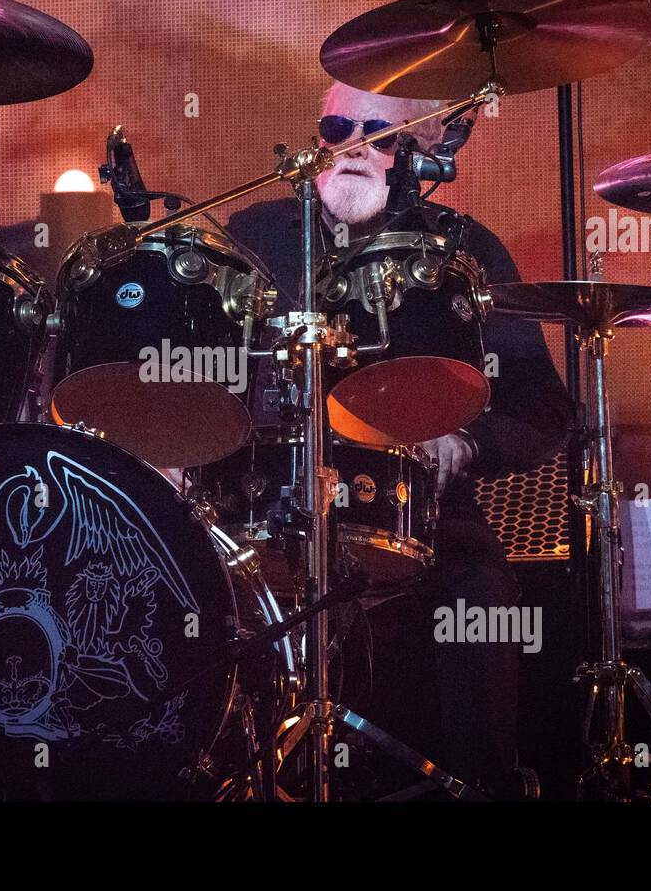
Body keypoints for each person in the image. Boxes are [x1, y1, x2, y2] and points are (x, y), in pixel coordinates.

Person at [225, 81, 574, 797]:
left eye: (380, 135)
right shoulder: (256, 235)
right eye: (336, 127)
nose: (353, 146)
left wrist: (467, 444)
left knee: (480, 597)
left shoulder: (464, 251)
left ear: (419, 153)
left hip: (428, 518)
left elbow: (541, 406)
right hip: (267, 511)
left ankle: (483, 785)